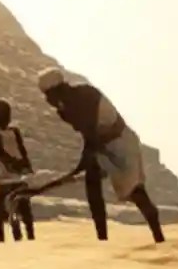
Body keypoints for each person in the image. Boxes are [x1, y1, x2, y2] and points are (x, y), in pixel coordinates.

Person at [13, 68, 164, 244]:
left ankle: (158, 236)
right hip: (101, 145)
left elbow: (90, 131)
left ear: (59, 89)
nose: (48, 100)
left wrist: (83, 162)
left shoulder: (86, 94)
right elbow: (88, 136)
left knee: (135, 191)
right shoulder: (64, 110)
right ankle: (102, 238)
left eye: (49, 95)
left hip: (121, 143)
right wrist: (85, 160)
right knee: (92, 183)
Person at [0, 99, 35, 242]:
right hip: (0, 175)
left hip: (16, 174)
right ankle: (2, 238)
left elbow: (22, 150)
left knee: (23, 205)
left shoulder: (14, 130)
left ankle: (29, 234)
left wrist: (27, 166)